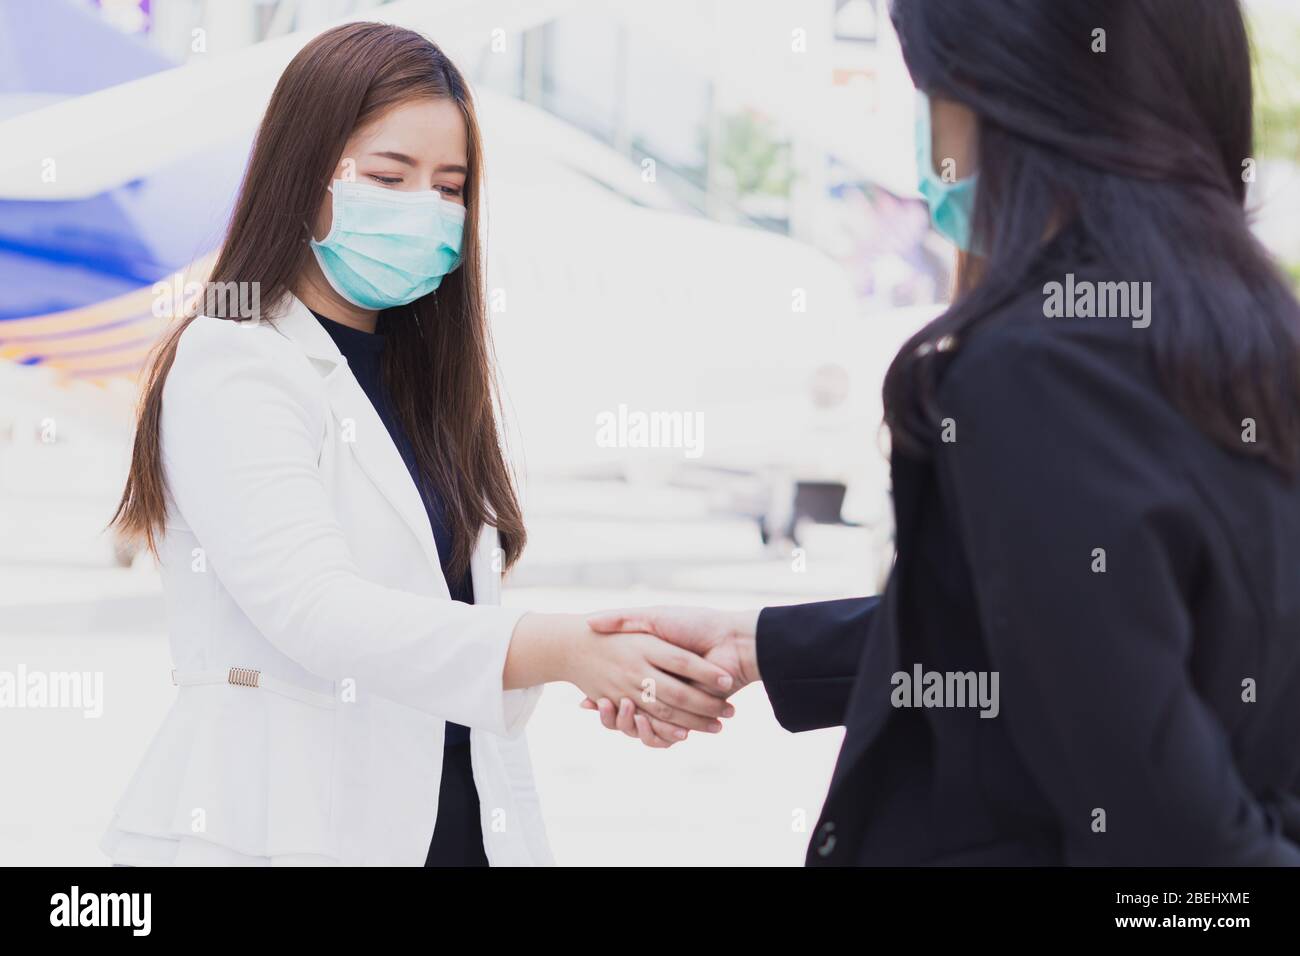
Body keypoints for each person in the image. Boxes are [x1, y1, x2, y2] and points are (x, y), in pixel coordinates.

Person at [585, 0, 1300, 866]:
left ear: (1012, 100)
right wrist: (760, 644)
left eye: (929, 92)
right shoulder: (1251, 339)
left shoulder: (1035, 371)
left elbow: (1171, 833)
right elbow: (1078, 636)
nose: (926, 138)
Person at [102, 22, 733, 867]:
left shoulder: (423, 379)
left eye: (450, 186)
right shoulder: (236, 361)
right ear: (305, 173)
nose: (427, 210)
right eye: (390, 177)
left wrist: (596, 664)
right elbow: (315, 609)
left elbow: (441, 630)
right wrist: (564, 649)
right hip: (281, 830)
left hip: (455, 824)